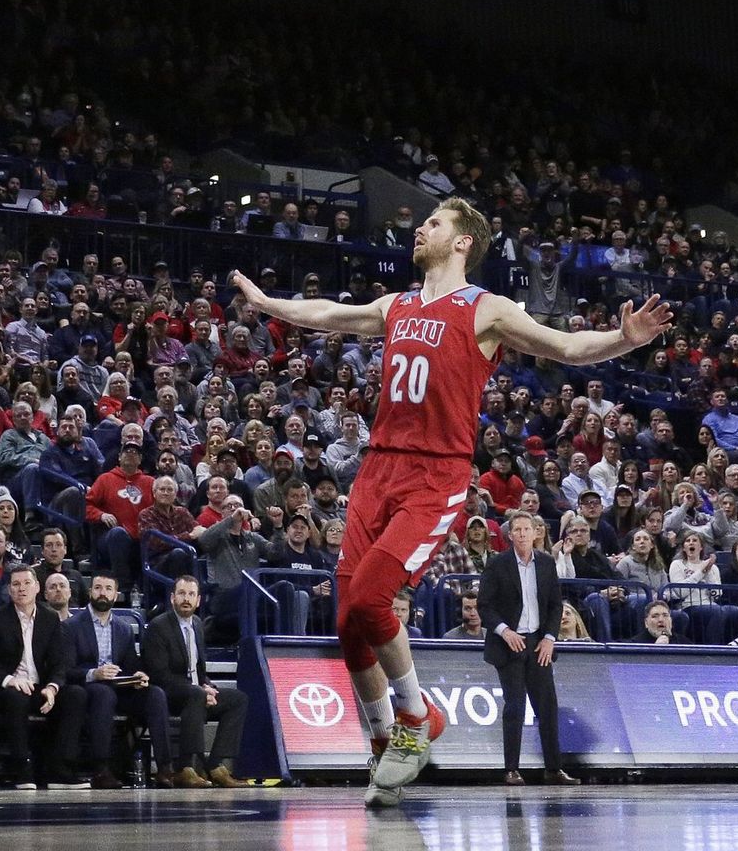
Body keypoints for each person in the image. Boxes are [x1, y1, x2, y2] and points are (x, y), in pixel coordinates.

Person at [227, 197, 670, 807]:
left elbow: (566, 349)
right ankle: (384, 739)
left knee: (371, 594)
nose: (420, 227)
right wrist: (271, 305)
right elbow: (332, 313)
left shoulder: (486, 308)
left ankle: (417, 719)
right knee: (347, 620)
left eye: (434, 222)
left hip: (434, 475)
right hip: (377, 468)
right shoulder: (398, 303)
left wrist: (624, 338)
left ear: (462, 242)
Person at [478, 510, 573, 786]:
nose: (521, 534)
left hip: (538, 643)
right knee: (515, 707)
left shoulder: (545, 563)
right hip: (509, 644)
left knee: (548, 707)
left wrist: (549, 638)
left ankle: (554, 769)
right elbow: (485, 605)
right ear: (509, 535)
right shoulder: (497, 564)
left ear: (535, 533)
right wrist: (504, 631)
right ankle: (511, 770)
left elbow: (556, 605)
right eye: (516, 529)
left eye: (526, 529)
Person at [0, 563, 87, 790]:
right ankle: (22, 769)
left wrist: (53, 687)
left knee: (76, 695)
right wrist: (11, 680)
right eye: (16, 584)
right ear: (9, 590)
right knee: (16, 698)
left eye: (27, 583)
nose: (21, 588)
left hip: (40, 687)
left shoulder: (50, 618)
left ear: (37, 587)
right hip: (7, 688)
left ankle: (60, 768)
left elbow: (59, 662)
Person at [63, 572, 175, 788]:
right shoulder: (72, 626)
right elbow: (66, 670)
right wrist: (94, 673)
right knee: (104, 694)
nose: (102, 593)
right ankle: (101, 769)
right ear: (90, 592)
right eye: (97, 588)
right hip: (88, 688)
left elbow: (131, 665)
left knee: (155, 694)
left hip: (119, 689)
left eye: (107, 589)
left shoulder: (123, 628)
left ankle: (164, 768)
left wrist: (139, 676)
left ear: (116, 595)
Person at [140, 575, 248, 789]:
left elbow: (199, 669)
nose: (186, 599)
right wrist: (197, 689)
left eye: (191, 594)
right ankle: (185, 767)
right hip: (167, 694)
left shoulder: (198, 624)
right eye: (181, 594)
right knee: (196, 695)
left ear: (199, 601)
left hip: (194, 692)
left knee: (238, 699)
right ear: (172, 598)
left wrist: (208, 686)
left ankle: (217, 765)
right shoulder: (158, 626)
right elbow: (158, 674)